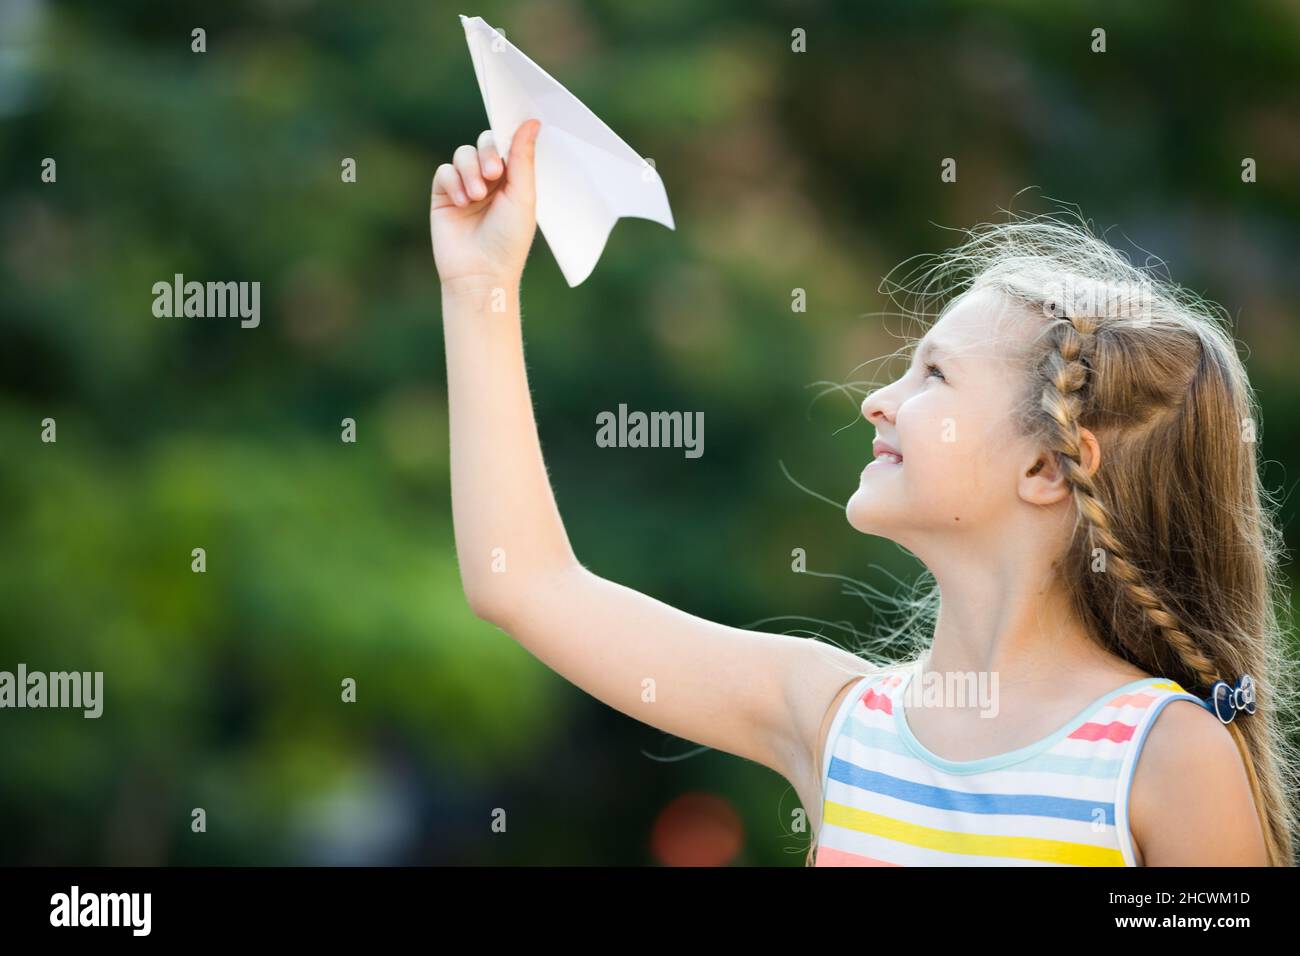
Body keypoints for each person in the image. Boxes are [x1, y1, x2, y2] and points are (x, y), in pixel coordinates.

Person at [430, 118, 1294, 866]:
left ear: (1045, 469)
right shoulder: (835, 722)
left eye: (934, 376)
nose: (878, 399)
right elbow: (523, 582)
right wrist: (480, 286)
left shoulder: (1167, 757)